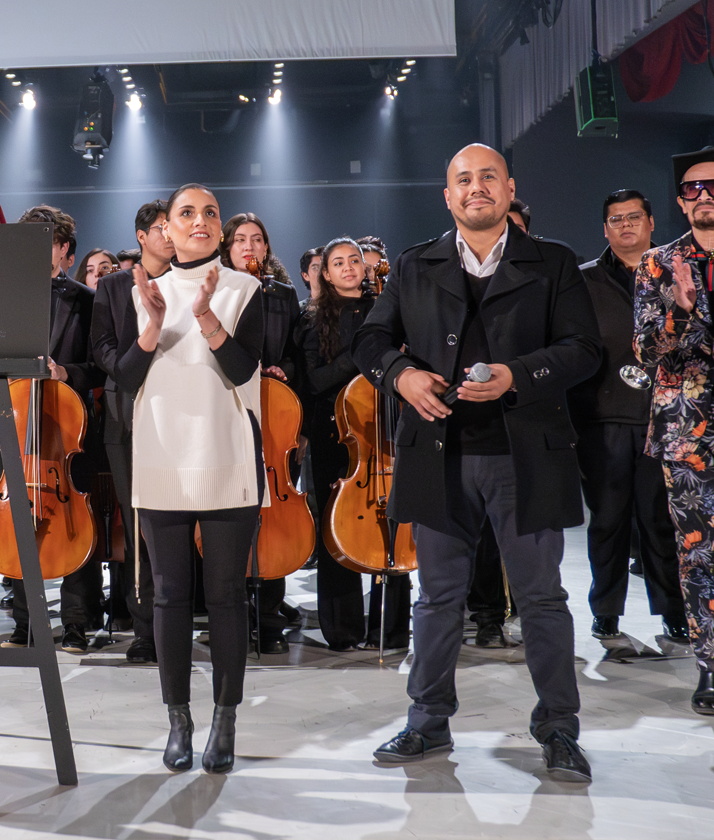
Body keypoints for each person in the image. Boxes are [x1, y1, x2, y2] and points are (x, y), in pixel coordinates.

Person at [353, 142, 599, 782]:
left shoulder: (553, 262)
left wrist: (518, 375)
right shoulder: (413, 264)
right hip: (439, 455)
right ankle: (426, 724)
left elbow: (583, 350)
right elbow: (371, 340)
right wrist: (401, 375)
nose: (476, 188)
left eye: (488, 177)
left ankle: (559, 729)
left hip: (527, 458)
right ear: (447, 195)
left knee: (543, 599)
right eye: (463, 179)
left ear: (509, 187)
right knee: (436, 601)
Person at [117, 183, 264, 774]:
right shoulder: (142, 291)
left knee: (227, 595)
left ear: (221, 228)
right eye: (186, 214)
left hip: (226, 452)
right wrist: (152, 325)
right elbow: (126, 378)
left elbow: (244, 368)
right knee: (169, 595)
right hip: (160, 457)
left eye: (209, 213)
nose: (198, 221)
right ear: (165, 230)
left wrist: (204, 315)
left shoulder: (247, 288)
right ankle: (178, 720)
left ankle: (225, 720)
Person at [571, 190, 685, 641]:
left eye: (633, 217)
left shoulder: (674, 274)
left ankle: (673, 609)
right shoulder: (582, 282)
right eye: (615, 219)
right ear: (605, 229)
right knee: (607, 520)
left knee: (662, 520)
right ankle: (606, 610)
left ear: (651, 222)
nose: (625, 225)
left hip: (666, 414)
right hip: (603, 417)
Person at [633, 145, 714, 715]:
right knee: (700, 553)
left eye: (711, 185)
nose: (703, 194)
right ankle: (710, 666)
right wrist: (680, 311)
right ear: (682, 203)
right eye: (691, 189)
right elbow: (644, 349)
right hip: (687, 432)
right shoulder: (658, 264)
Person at [4, 205, 106, 654]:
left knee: (73, 521)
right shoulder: (4, 298)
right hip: (14, 421)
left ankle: (77, 624)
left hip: (70, 428)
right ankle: (25, 622)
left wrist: (65, 374)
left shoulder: (88, 300)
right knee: (18, 521)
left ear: (64, 249)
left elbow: (101, 365)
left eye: (43, 240)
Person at [302, 237, 411, 650]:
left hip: (387, 432)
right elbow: (315, 380)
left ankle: (393, 626)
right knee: (337, 530)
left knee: (397, 524)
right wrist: (365, 353)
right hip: (337, 434)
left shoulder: (385, 310)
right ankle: (343, 629)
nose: (349, 268)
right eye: (338, 263)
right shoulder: (312, 319)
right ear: (325, 273)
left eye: (354, 261)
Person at [90, 199, 173, 664]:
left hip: (178, 414)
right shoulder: (115, 285)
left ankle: (176, 619)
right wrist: (127, 370)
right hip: (125, 414)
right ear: (141, 236)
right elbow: (100, 345)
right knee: (137, 524)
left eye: (171, 227)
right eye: (159, 228)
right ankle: (145, 630)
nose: (168, 235)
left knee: (175, 523)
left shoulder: (191, 280)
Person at [220, 212, 304, 653]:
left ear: (267, 248)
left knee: (274, 514)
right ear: (227, 248)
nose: (248, 247)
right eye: (240, 241)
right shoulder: (213, 289)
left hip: (274, 412)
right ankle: (226, 613)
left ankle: (268, 618)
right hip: (224, 408)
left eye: (256, 240)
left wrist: (281, 369)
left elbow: (294, 352)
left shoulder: (283, 294)